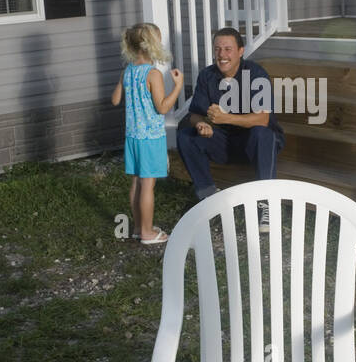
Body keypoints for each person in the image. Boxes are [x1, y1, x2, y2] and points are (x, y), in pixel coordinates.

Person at [176, 27, 285, 231]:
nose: (222, 55)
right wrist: (202, 124)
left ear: (240, 51)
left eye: (228, 49)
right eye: (218, 49)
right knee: (185, 136)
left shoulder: (255, 73)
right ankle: (208, 199)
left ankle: (266, 203)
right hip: (223, 141)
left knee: (263, 133)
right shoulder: (207, 75)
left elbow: (262, 119)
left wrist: (226, 117)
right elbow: (195, 115)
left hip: (255, 145)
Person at [111, 23, 182, 246]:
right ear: (151, 44)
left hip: (132, 137)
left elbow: (114, 100)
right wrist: (178, 86)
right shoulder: (153, 74)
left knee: (136, 182)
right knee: (148, 185)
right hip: (150, 138)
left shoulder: (128, 71)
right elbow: (162, 107)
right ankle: (147, 232)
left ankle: (137, 227)